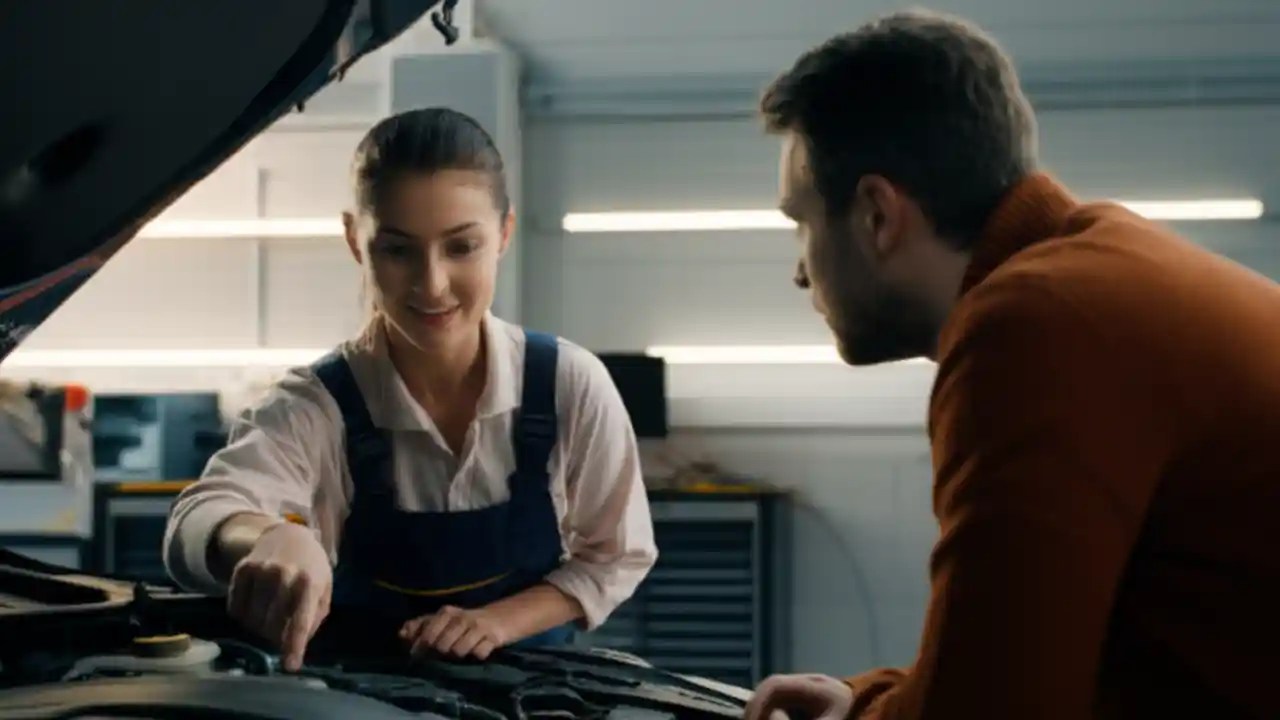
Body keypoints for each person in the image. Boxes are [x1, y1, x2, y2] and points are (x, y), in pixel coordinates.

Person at [744, 9, 1280, 720]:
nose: (800, 274)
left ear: (877, 214)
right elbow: (1067, 660)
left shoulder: (1036, 325)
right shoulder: (1105, 268)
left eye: (802, 222)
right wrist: (872, 703)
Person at [162, 107, 658, 672]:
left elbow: (614, 557)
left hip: (531, 698)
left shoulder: (569, 384)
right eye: (397, 250)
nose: (432, 283)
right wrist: (266, 536)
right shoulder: (317, 406)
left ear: (503, 234)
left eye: (461, 247)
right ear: (355, 240)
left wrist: (495, 623)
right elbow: (196, 521)